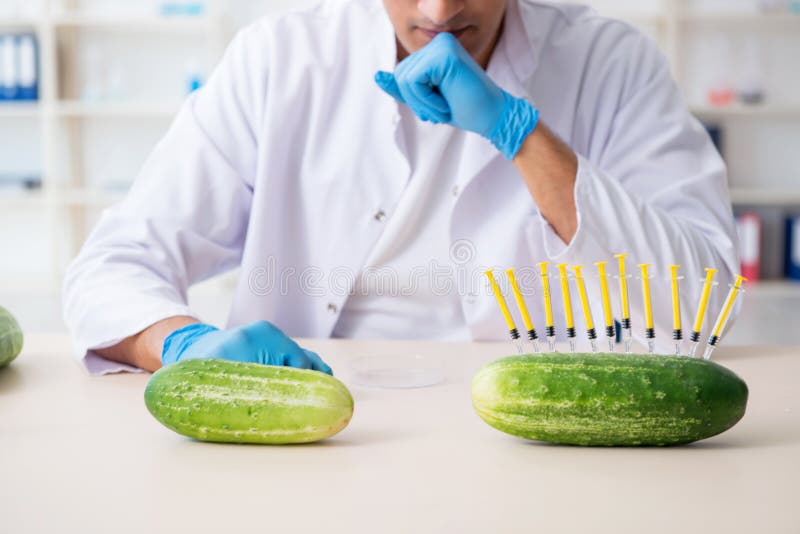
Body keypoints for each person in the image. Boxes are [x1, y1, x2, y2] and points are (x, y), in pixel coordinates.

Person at [63, 0, 739, 375]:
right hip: (306, 437)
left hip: (536, 439)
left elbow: (703, 304)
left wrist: (522, 136)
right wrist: (182, 345)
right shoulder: (281, 60)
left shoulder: (609, 65)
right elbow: (113, 266)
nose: (439, 9)